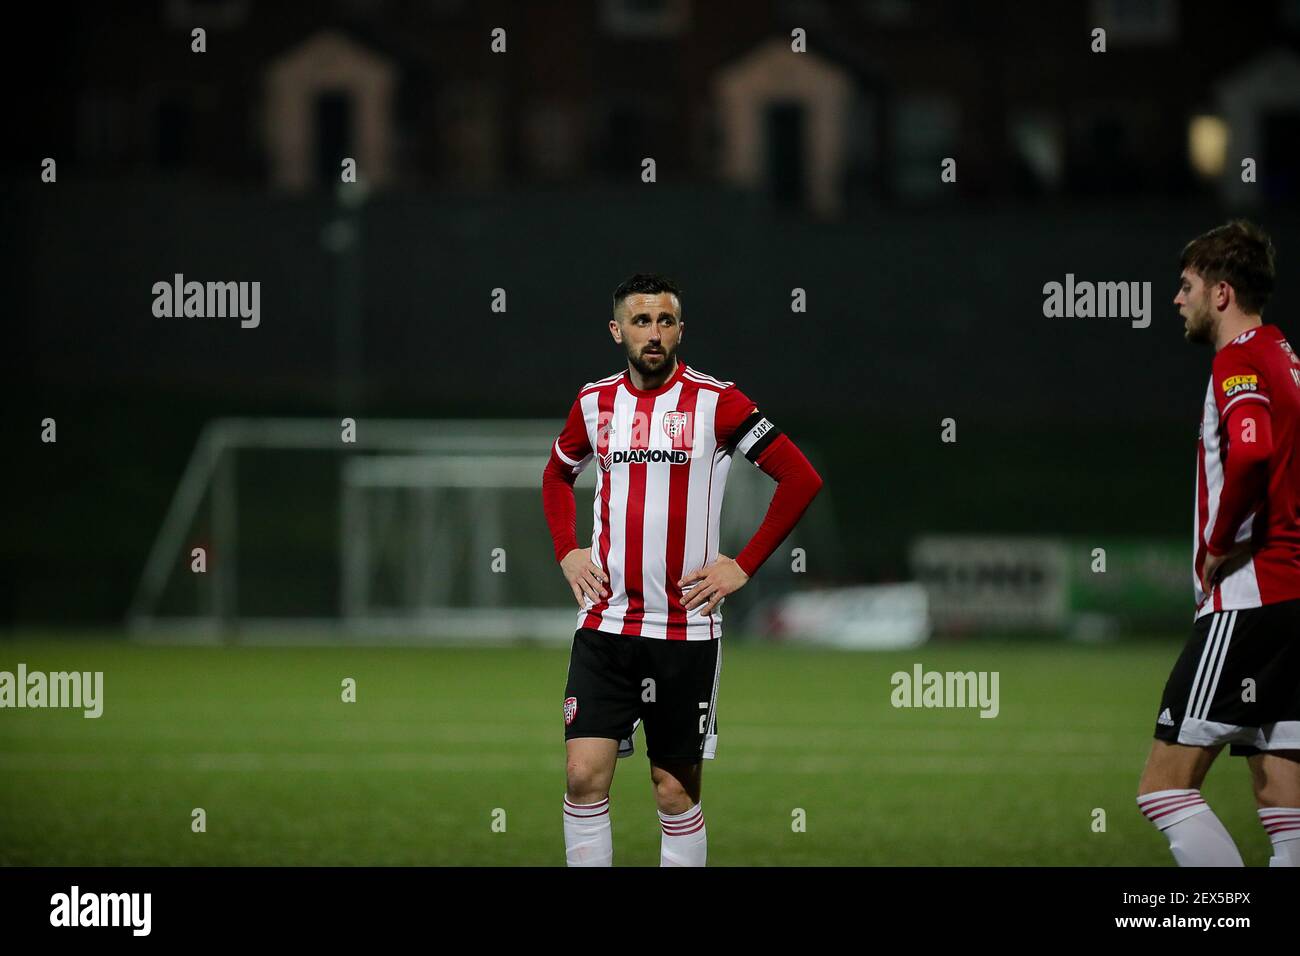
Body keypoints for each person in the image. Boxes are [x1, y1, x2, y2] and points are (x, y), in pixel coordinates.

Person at [542, 273, 823, 866]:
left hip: (684, 629)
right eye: (641, 321)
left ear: (680, 331)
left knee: (673, 792)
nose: (654, 333)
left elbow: (800, 478)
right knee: (582, 778)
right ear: (617, 330)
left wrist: (741, 566)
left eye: (665, 321)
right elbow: (557, 474)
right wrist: (568, 547)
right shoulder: (595, 403)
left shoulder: (718, 402)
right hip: (607, 624)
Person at [1138, 220, 1300, 866]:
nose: (1177, 300)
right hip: (1293, 604)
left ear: (1222, 293)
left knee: (1163, 788)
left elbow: (1253, 451)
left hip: (1250, 598)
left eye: (1186, 287)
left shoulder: (1239, 361)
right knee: (1286, 805)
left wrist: (1216, 542)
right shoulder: (1287, 357)